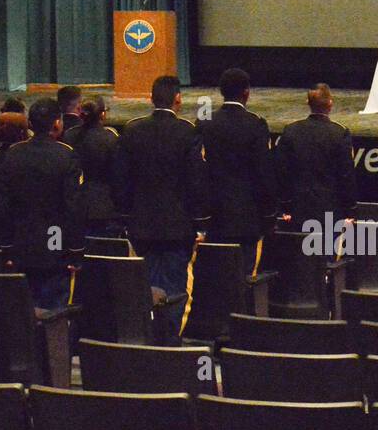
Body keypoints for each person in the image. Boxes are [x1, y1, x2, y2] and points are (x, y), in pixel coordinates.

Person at [114, 75, 210, 340]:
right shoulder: (188, 132)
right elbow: (196, 182)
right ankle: (167, 346)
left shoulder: (132, 131)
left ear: (150, 98)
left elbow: (121, 181)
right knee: (176, 290)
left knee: (146, 288)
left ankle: (150, 342)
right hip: (178, 229)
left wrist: (125, 219)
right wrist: (200, 223)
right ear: (178, 99)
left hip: (140, 227)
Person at [0, 99, 85, 310]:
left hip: (21, 243)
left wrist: (5, 247)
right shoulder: (66, 155)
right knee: (53, 313)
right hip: (54, 242)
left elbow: (4, 205)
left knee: (23, 312)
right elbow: (73, 208)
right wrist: (75, 251)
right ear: (57, 124)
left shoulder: (13, 154)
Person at [198, 68, 276, 274]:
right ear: (246, 92)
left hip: (213, 215)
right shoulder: (255, 124)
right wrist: (269, 214)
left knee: (216, 278)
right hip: (246, 218)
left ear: (222, 92)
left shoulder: (205, 123)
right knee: (243, 280)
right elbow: (263, 173)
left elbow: (198, 169)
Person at [274, 83, 358, 228]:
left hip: (298, 208)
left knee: (297, 250)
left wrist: (284, 207)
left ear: (308, 103)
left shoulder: (291, 131)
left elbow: (281, 172)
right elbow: (346, 175)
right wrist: (350, 210)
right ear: (330, 104)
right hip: (330, 210)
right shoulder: (340, 133)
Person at [62, 98, 122, 237]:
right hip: (104, 206)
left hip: (76, 203)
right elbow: (117, 173)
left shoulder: (69, 135)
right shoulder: (111, 138)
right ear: (102, 115)